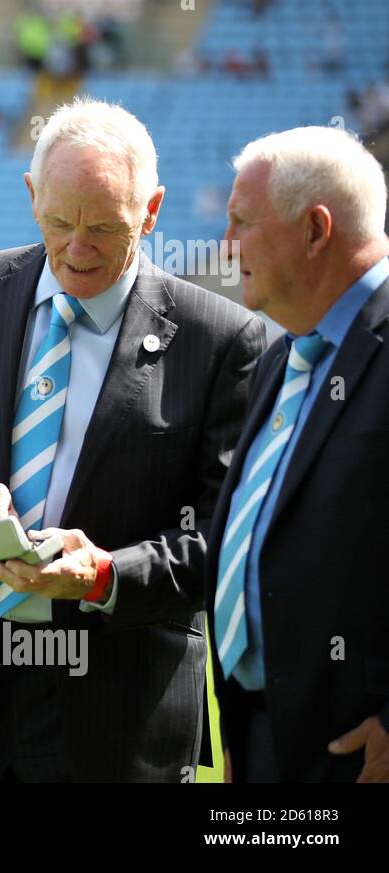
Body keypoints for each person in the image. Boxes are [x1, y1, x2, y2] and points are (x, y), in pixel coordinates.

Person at [0, 97, 265, 781]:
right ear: (32, 196)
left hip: (123, 713)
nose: (77, 249)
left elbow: (226, 538)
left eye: (105, 228)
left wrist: (104, 576)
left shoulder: (221, 339)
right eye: (59, 222)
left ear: (151, 211)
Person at [210, 126, 389, 782]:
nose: (226, 247)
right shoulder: (284, 353)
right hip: (266, 738)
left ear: (316, 230)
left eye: (240, 223)